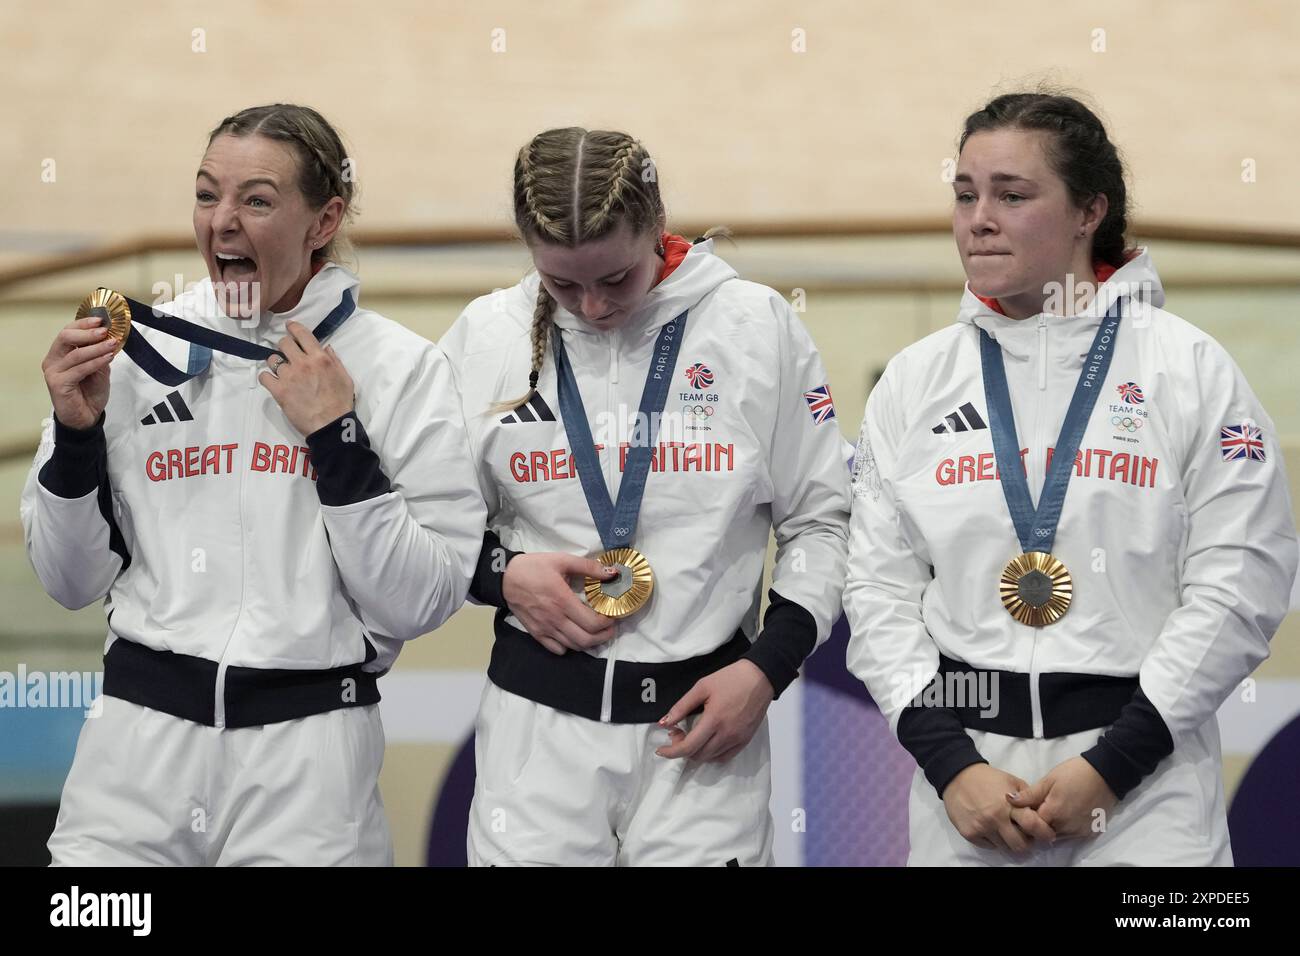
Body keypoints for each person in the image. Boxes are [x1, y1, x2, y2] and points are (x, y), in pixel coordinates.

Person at [20, 103, 486, 865]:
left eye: (257, 200)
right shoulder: (133, 355)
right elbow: (68, 580)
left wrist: (339, 441)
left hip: (307, 763)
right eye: (207, 195)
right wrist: (75, 437)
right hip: (135, 753)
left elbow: (422, 598)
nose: (222, 223)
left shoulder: (402, 370)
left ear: (324, 219)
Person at [844, 91, 1298, 866]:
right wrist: (952, 766)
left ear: (1090, 211)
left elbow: (1241, 581)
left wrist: (1113, 766)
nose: (978, 218)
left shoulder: (1187, 369)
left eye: (1011, 196)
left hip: (1143, 789)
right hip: (967, 791)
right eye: (964, 195)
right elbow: (878, 593)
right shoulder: (916, 383)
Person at [440, 127, 850, 866]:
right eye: (563, 284)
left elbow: (821, 521)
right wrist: (500, 577)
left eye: (616, 278)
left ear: (657, 226)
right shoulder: (485, 337)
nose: (592, 306)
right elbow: (428, 527)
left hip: (701, 740)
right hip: (536, 743)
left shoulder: (755, 329)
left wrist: (767, 670)